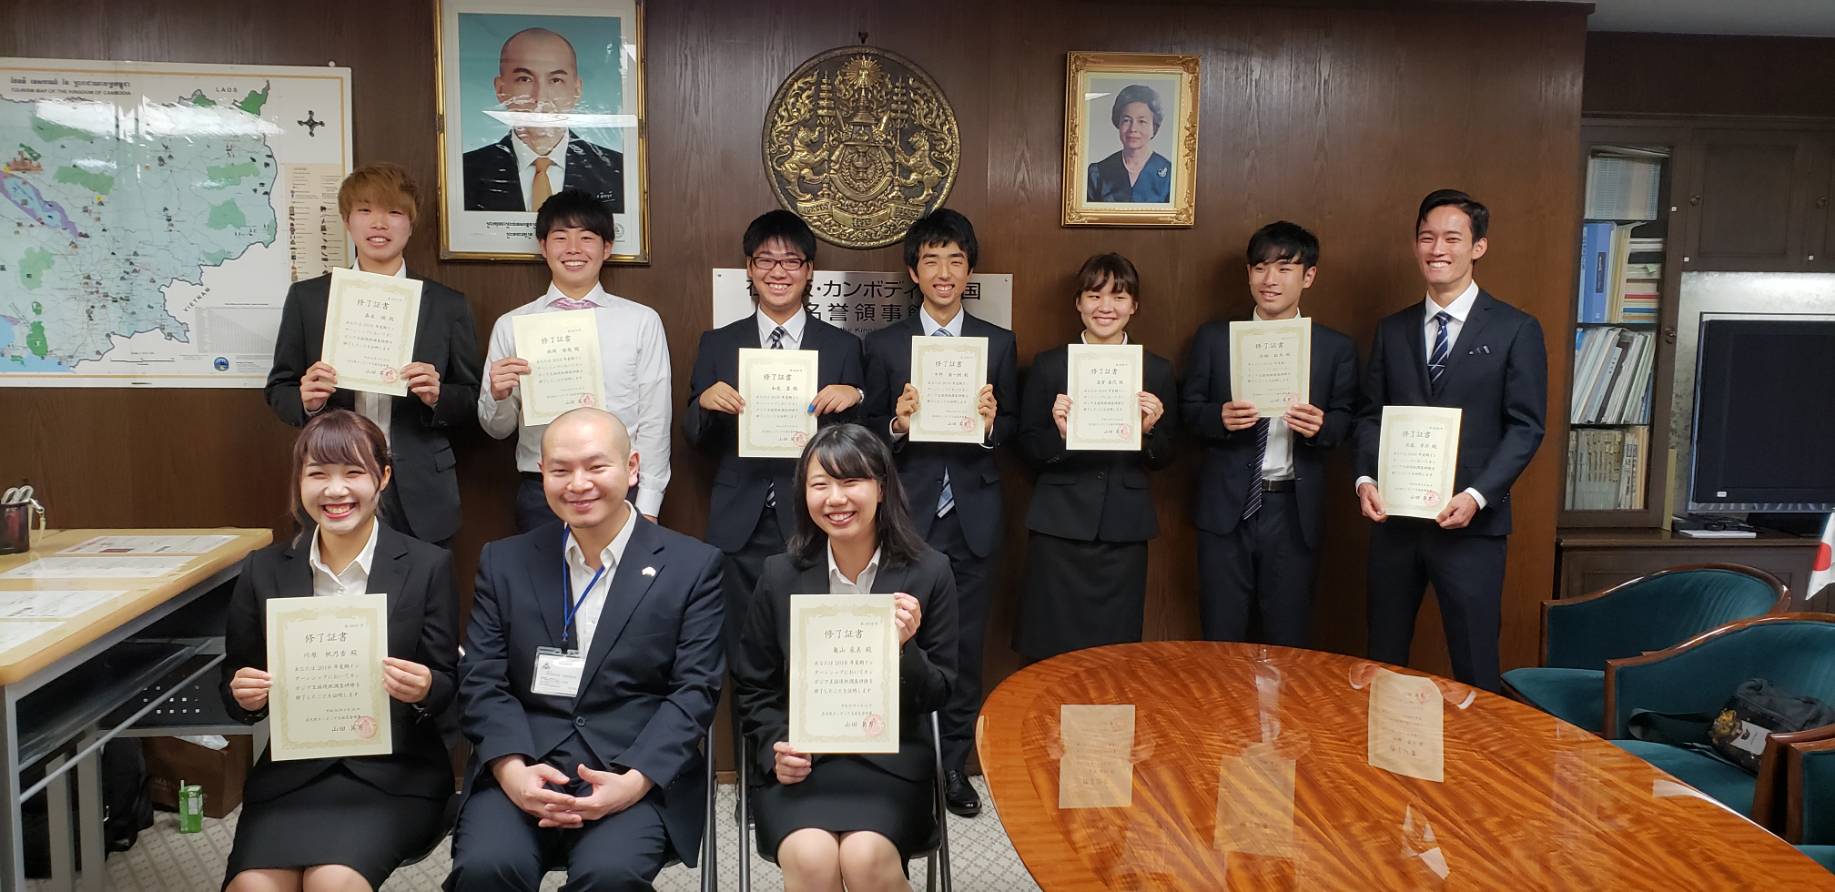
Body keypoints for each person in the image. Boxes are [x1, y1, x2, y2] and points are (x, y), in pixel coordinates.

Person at [446, 408, 723, 891]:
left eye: (596, 466)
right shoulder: (504, 561)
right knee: (487, 867)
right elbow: (482, 678)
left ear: (632, 468)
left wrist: (634, 781)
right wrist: (512, 772)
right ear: (542, 474)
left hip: (631, 769)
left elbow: (694, 690)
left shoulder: (691, 566)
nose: (578, 484)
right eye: (560, 470)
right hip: (524, 761)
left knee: (609, 877)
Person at [221, 409, 457, 892]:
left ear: (383, 477)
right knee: (253, 887)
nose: (335, 490)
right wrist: (243, 695)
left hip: (394, 772)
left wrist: (426, 688)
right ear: (299, 481)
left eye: (353, 472)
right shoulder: (264, 569)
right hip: (292, 776)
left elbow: (449, 684)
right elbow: (233, 682)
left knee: (333, 882)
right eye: (318, 474)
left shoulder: (426, 566)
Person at [733, 423, 957, 890]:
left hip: (892, 763)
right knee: (811, 858)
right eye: (820, 485)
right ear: (804, 494)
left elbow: (940, 693)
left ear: (881, 487)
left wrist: (904, 648)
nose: (835, 498)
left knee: (865, 858)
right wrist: (776, 746)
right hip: (802, 762)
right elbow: (754, 684)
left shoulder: (930, 572)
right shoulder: (779, 575)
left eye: (851, 481)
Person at [1354, 190, 1548, 692]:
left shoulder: (1515, 329)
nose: (1437, 249)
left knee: (1475, 662)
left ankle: (1480, 747)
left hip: (1471, 526)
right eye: (1427, 237)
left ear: (1478, 247)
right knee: (1383, 659)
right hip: (1395, 522)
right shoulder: (1392, 329)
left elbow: (1526, 426)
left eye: (1452, 238)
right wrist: (1365, 479)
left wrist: (1478, 495)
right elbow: (1370, 416)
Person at [863, 208, 1018, 817]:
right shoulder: (884, 344)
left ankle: (953, 765)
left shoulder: (998, 343)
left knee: (964, 649)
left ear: (969, 270)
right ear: (913, 272)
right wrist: (898, 423)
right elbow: (866, 436)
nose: (944, 272)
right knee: (897, 643)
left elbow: (1014, 431)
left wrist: (991, 426)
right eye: (932, 260)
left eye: (956, 260)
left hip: (973, 517)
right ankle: (897, 763)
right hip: (907, 518)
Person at [265, 162, 482, 547]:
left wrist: (438, 397)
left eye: (394, 212)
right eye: (365, 210)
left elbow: (469, 396)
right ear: (347, 221)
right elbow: (279, 389)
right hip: (336, 479)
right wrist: (307, 400)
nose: (379, 223)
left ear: (410, 224)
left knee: (423, 585)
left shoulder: (446, 305)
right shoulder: (308, 299)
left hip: (420, 485)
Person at [684, 210, 865, 656]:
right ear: (749, 268)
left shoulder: (843, 347)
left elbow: (863, 445)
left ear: (809, 271)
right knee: (741, 647)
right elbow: (693, 436)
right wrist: (704, 404)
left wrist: (856, 396)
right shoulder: (718, 343)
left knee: (809, 646)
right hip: (739, 519)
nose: (778, 272)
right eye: (765, 260)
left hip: (813, 518)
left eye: (791, 261)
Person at [1181, 222, 1359, 647]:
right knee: (1221, 635)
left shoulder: (1334, 348)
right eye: (1260, 267)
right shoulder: (1214, 338)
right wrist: (1219, 418)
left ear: (1308, 276)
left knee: (1287, 637)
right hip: (1227, 507)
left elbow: (1349, 420)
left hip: (1293, 510)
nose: (1269, 279)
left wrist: (1321, 426)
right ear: (1248, 273)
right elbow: (1187, 410)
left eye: (1284, 268)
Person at [477, 189, 672, 531]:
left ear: (606, 248)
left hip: (620, 488)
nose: (573, 248)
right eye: (560, 237)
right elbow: (496, 429)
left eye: (586, 237)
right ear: (543, 247)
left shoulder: (641, 321)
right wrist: (498, 395)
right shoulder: (513, 324)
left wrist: (649, 503)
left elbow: (655, 418)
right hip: (543, 490)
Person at [1013, 253, 1177, 660]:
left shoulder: (1155, 369)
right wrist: (1061, 436)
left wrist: (1148, 431)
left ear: (1134, 305)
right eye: (1094, 295)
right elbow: (1027, 447)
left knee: (1115, 652)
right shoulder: (1050, 366)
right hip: (1059, 525)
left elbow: (1166, 455)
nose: (1106, 307)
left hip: (1124, 528)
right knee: (1048, 646)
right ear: (1078, 303)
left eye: (1119, 297)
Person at [462, 27, 624, 214]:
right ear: (500, 89)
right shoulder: (465, 171)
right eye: (524, 79)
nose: (540, 98)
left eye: (555, 80)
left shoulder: (617, 170)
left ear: (577, 90)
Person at [1085, 84, 1172, 204]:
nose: (1133, 129)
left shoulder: (1170, 175)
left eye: (1142, 121)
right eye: (1126, 120)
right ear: (1118, 123)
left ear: (1154, 127)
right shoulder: (1098, 173)